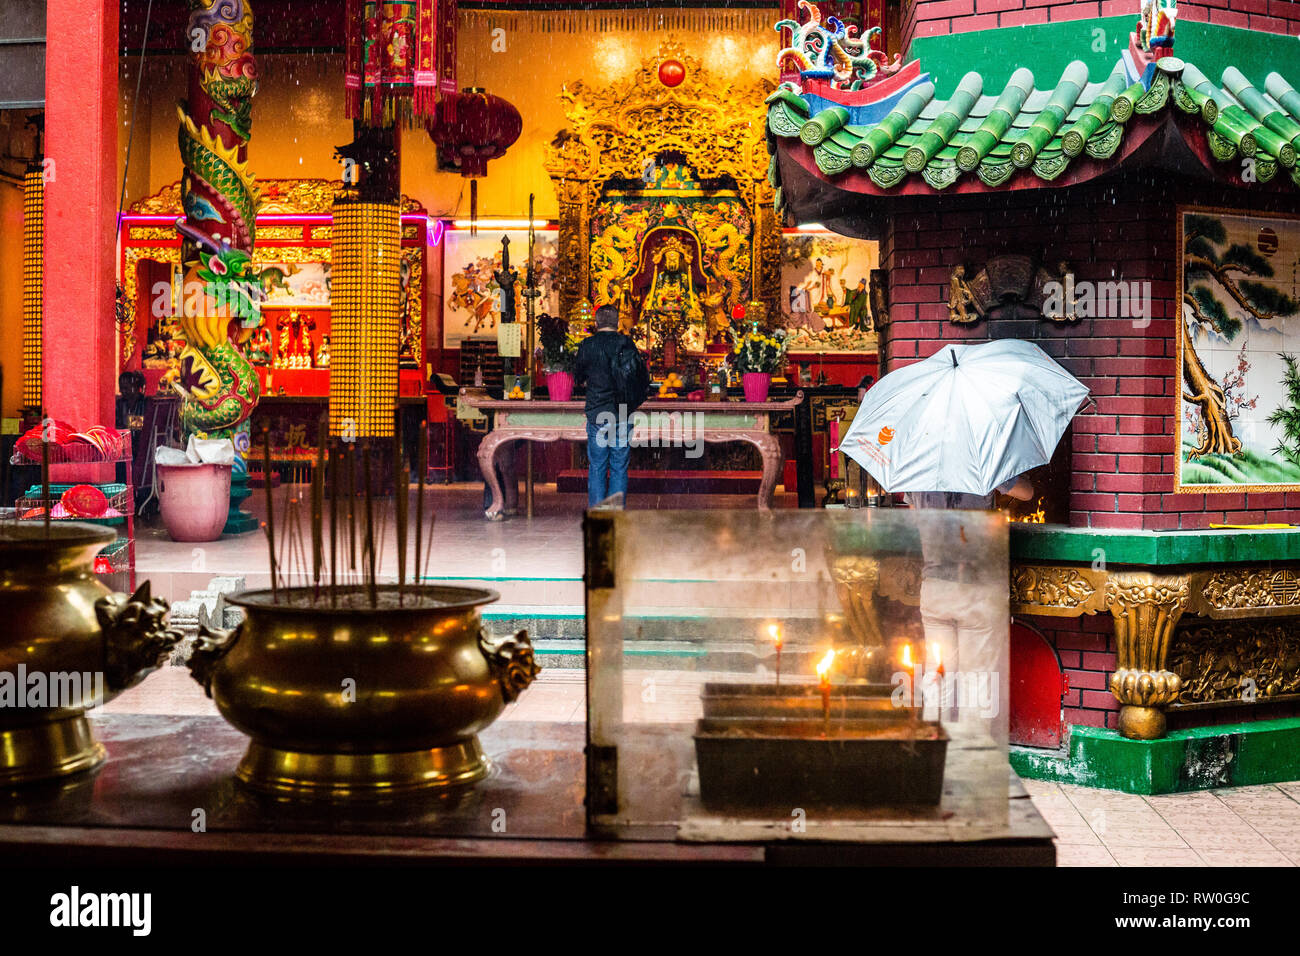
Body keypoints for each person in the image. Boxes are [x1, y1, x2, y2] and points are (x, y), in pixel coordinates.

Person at [904, 476, 1032, 738]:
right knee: (976, 681)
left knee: (937, 678)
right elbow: (1027, 493)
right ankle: (971, 762)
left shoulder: (917, 466)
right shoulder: (983, 463)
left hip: (935, 587)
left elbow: (915, 518)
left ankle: (936, 756)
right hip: (977, 588)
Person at [574, 304, 640, 508]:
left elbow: (577, 377)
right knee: (619, 466)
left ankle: (598, 514)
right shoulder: (626, 343)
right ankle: (615, 514)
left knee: (597, 466)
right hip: (622, 410)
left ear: (596, 323)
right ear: (618, 322)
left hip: (597, 412)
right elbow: (637, 375)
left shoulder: (587, 345)